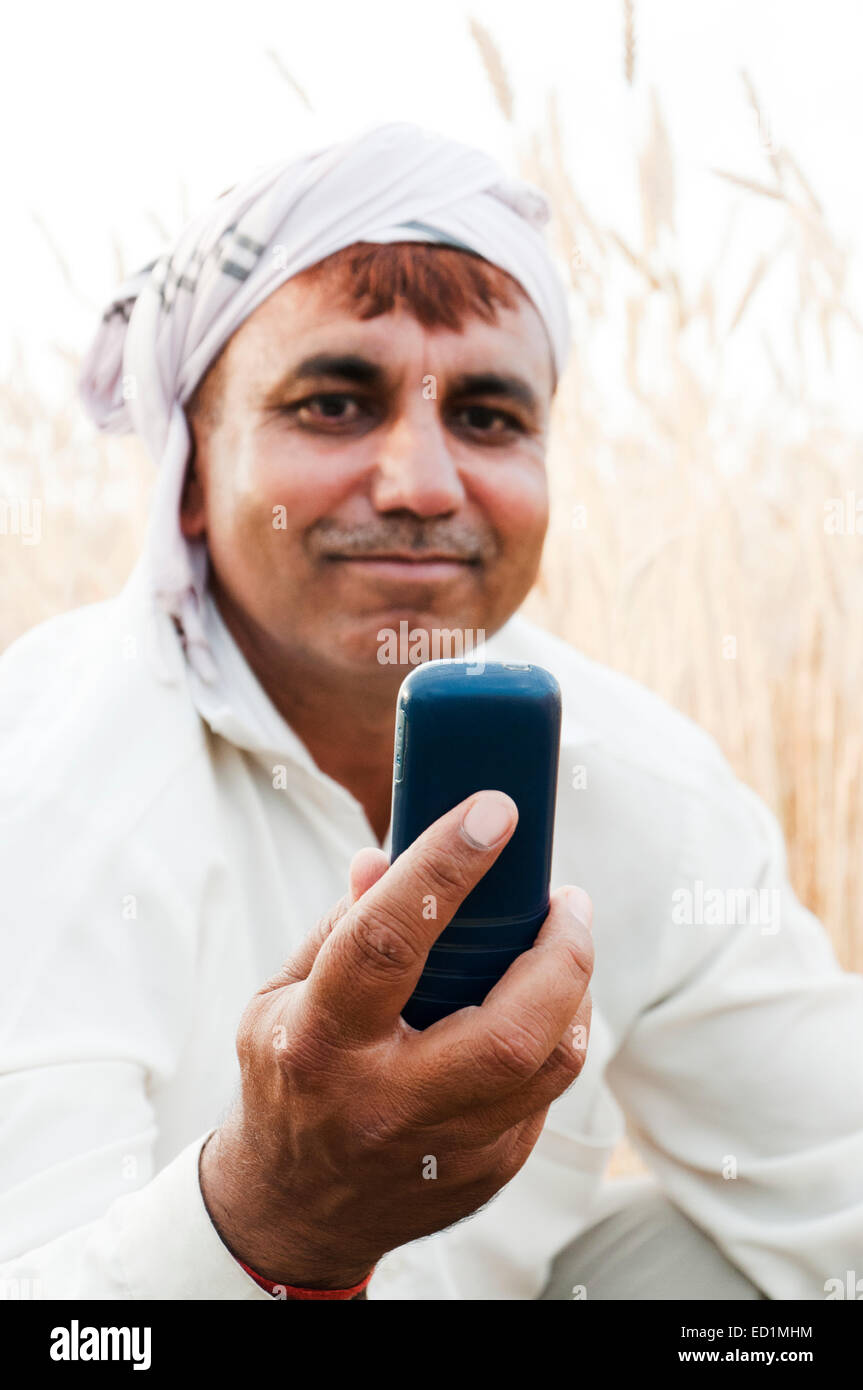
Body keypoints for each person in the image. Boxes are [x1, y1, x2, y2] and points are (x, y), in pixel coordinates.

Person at [0, 121, 860, 1302]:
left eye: (488, 416)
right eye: (333, 404)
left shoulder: (645, 781)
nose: (419, 484)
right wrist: (271, 1220)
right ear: (189, 478)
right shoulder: (46, 783)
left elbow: (837, 1183)